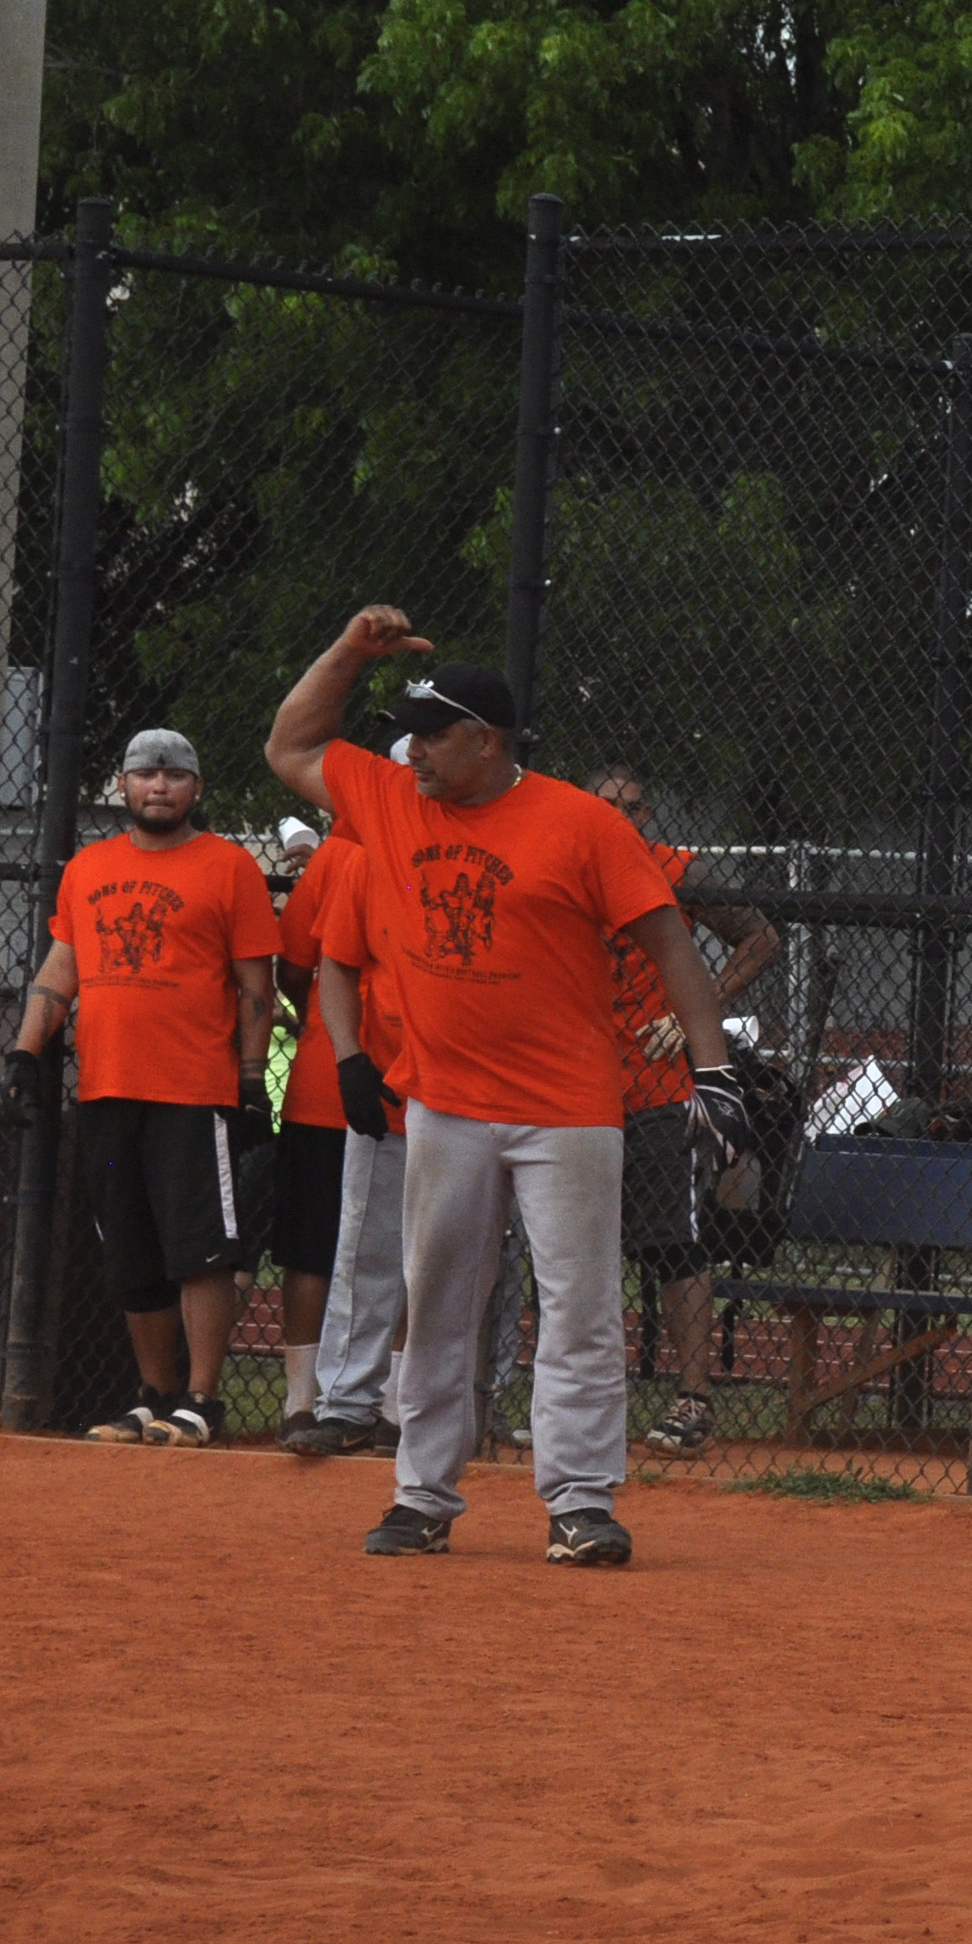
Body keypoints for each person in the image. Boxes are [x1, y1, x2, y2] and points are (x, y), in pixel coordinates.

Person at [266, 611, 754, 1565]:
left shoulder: (583, 824)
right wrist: (352, 652)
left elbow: (670, 944)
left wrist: (716, 1069)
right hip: (444, 1105)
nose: (410, 753)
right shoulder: (394, 797)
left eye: (431, 736)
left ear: (484, 742)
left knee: (577, 1304)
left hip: (569, 1109)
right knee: (438, 1297)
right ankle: (421, 1495)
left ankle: (578, 1502)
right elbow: (291, 741)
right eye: (405, 736)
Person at [5, 731, 280, 1447]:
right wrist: (26, 1050)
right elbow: (62, 964)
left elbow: (258, 987)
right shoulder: (88, 869)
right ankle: (154, 1395)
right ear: (123, 787)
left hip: (192, 1090)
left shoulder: (229, 866)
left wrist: (251, 1081)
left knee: (200, 1249)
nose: (160, 786)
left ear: (197, 789)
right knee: (131, 1251)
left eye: (175, 776)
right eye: (145, 774)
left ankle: (201, 1400)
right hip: (108, 1087)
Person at [584, 765, 783, 1463]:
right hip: (576, 1087)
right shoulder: (566, 869)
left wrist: (695, 1008)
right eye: (611, 807)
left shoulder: (676, 869)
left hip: (658, 1087)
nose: (626, 819)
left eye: (636, 808)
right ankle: (582, 1404)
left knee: (672, 1241)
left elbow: (762, 938)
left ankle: (694, 1400)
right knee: (573, 1250)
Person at [279, 753, 419, 1460]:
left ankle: (400, 1405)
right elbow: (319, 961)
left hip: (450, 1086)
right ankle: (343, 1403)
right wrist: (347, 1055)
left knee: (438, 1253)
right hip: (365, 1083)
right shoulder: (354, 857)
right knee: (351, 1245)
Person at [264, 823, 365, 1430]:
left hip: (415, 1088)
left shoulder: (338, 855)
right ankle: (304, 1400)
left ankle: (380, 1403)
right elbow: (294, 966)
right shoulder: (339, 857)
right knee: (312, 1248)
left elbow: (296, 972)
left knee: (408, 1253)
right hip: (330, 1087)